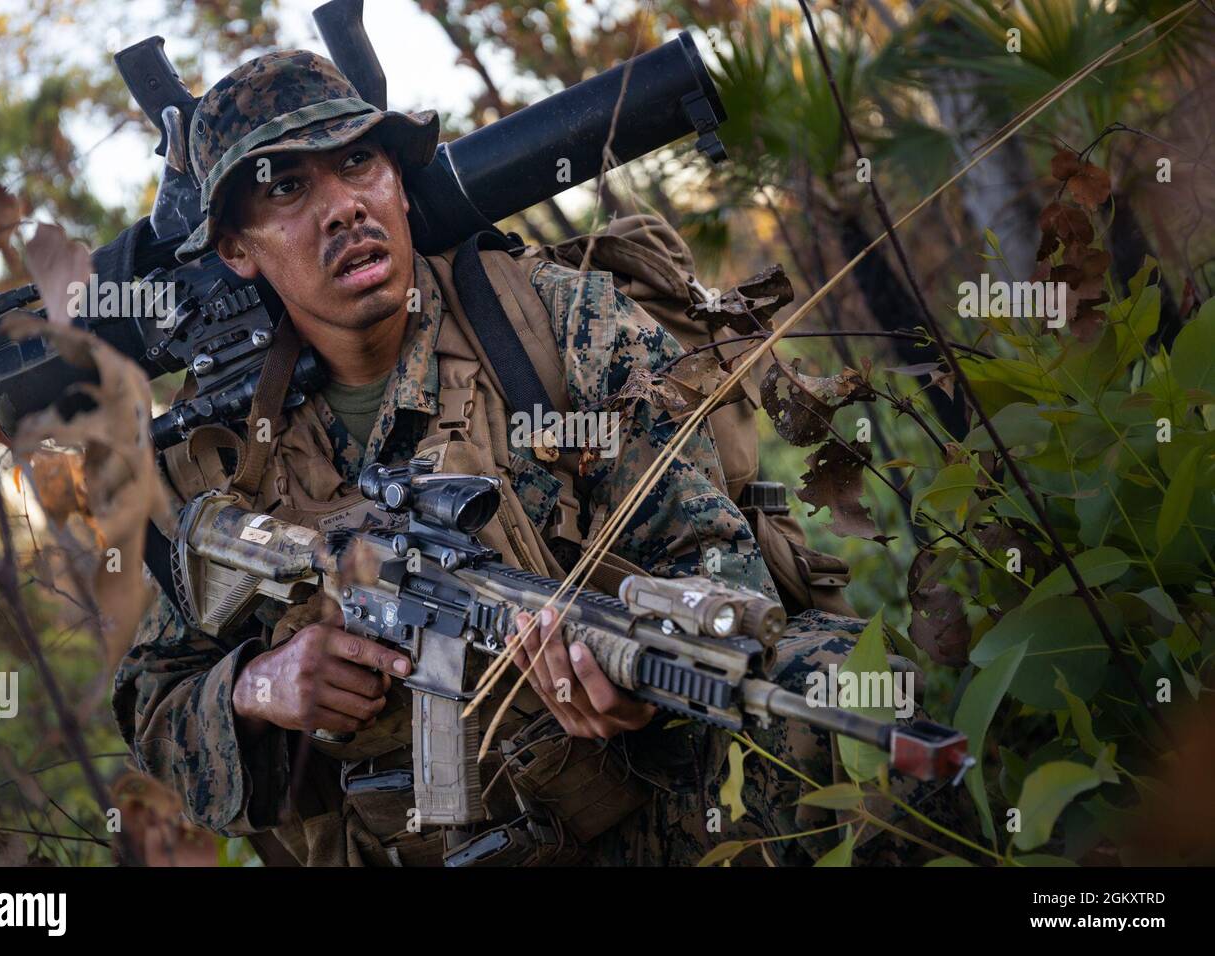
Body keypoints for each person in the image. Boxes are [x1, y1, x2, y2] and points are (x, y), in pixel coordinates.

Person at [114, 50, 968, 866]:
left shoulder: (557, 324)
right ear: (236, 247)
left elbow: (717, 565)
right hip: (424, 845)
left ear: (400, 185)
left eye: (359, 164)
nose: (343, 207)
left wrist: (637, 659)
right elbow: (154, 703)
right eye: (290, 188)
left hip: (651, 798)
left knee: (841, 697)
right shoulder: (225, 459)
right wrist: (258, 687)